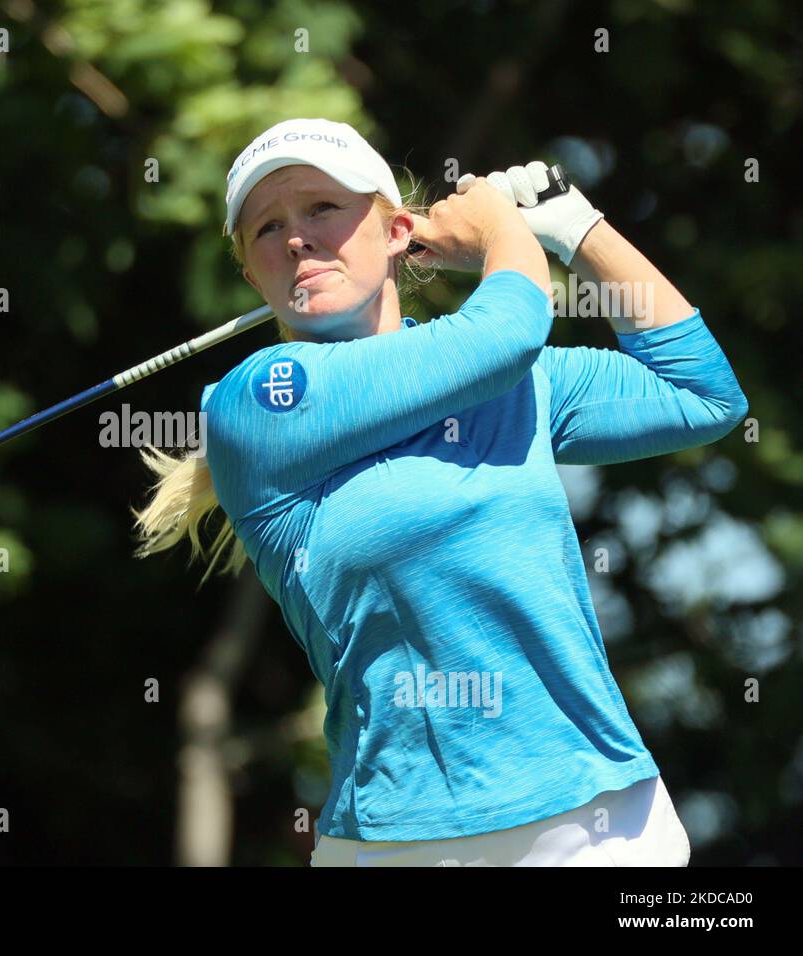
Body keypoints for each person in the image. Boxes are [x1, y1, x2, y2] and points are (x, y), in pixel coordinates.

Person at [132, 117, 749, 866]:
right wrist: (501, 232)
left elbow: (703, 396)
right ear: (253, 278)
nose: (295, 237)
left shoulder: (517, 384)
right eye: (267, 227)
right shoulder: (255, 402)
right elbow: (506, 333)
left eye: (322, 208)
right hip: (396, 843)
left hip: (600, 826)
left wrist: (577, 227)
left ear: (398, 232)